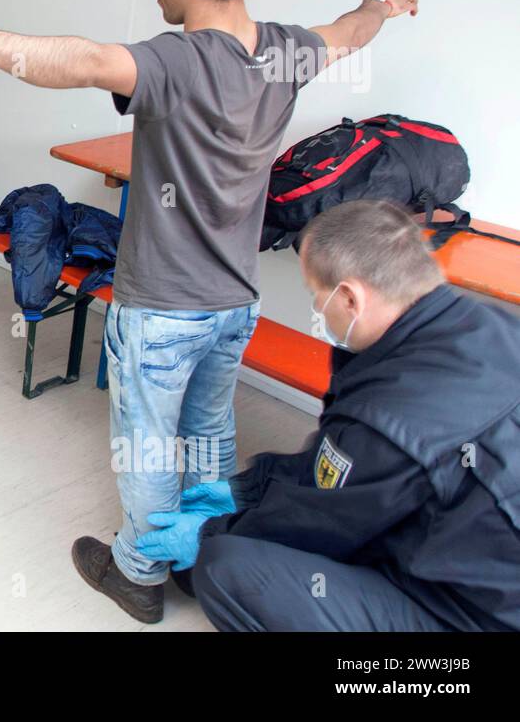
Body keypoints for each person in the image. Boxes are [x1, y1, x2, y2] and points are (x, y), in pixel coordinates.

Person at [0, 0, 418, 623]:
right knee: (209, 433)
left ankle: (139, 571)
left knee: (147, 447)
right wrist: (379, 3)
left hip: (162, 310)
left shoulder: (178, 63)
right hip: (234, 303)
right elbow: (349, 31)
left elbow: (77, 60)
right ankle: (199, 555)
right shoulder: (285, 51)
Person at [135, 200, 520, 631]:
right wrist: (247, 489)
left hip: (475, 616)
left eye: (315, 293)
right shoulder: (490, 327)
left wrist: (208, 534)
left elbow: (319, 521)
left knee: (227, 565)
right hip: (484, 564)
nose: (317, 307)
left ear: (350, 297)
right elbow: (339, 470)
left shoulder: (392, 416)